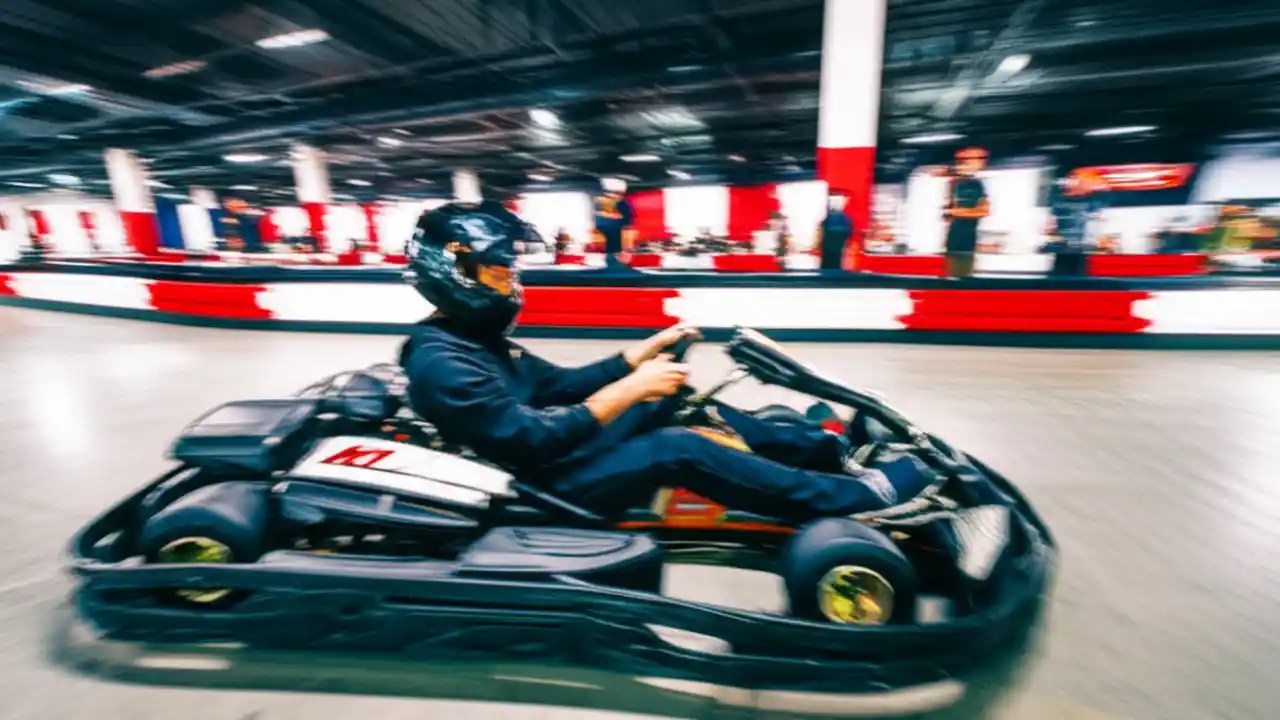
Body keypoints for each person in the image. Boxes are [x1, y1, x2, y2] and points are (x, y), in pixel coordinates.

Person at [398, 201, 934, 522]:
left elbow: (561, 387)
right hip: (540, 487)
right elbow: (527, 437)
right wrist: (630, 389)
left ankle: (828, 449)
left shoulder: (476, 339)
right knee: (676, 447)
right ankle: (851, 496)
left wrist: (637, 358)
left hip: (550, 455)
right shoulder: (442, 362)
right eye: (499, 272)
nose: (512, 283)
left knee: (669, 396)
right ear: (457, 273)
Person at [1045, 171, 1108, 275]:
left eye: (1076, 180)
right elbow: (1052, 224)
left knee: (1077, 273)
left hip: (1079, 249)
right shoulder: (1060, 201)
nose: (1071, 183)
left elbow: (1097, 217)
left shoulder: (1090, 202)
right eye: (1071, 179)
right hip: (1064, 249)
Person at [942, 148, 990, 278]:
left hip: (967, 241)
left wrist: (957, 212)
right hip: (957, 241)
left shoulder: (976, 183)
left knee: (963, 274)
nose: (982, 163)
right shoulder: (956, 183)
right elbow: (948, 212)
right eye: (979, 159)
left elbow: (984, 210)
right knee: (956, 275)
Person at [593, 178, 635, 272]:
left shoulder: (623, 205)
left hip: (616, 246)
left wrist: (627, 249)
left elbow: (627, 227)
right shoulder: (601, 202)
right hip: (608, 246)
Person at [817, 192, 854, 271]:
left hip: (828, 248)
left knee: (827, 264)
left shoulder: (827, 217)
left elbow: (821, 231)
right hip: (838, 248)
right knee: (836, 263)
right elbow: (849, 233)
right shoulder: (845, 218)